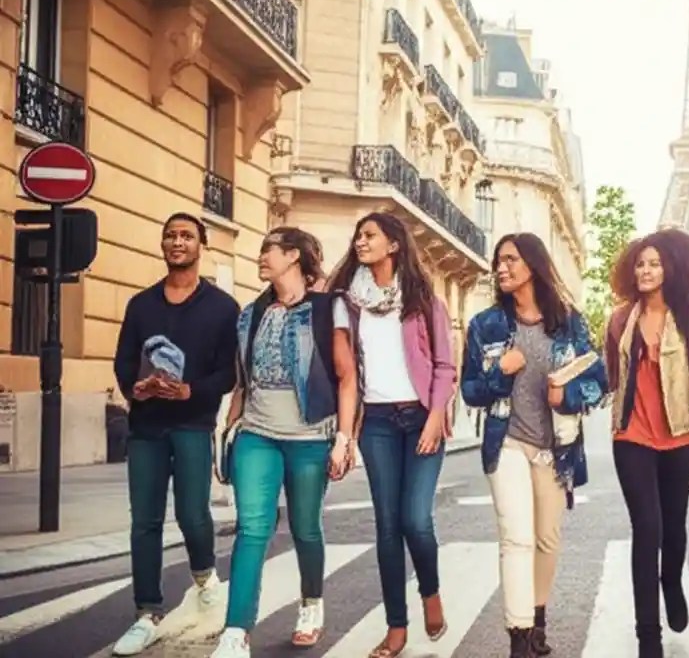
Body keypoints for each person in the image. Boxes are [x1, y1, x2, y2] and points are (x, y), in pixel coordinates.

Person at [460, 233, 609, 658]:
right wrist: (500, 374)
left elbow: (600, 385)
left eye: (511, 259)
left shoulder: (569, 323)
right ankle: (520, 637)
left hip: (555, 448)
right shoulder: (486, 325)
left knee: (547, 539)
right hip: (506, 441)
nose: (501, 267)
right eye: (499, 261)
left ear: (533, 265)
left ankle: (537, 621)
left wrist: (570, 396)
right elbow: (471, 391)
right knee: (517, 538)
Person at [211, 227, 348, 658]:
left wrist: (344, 438)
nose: (261, 257)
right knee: (253, 529)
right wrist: (228, 431)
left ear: (293, 256)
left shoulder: (328, 309)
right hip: (257, 435)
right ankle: (236, 632)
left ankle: (311, 603)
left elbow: (347, 377)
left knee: (306, 528)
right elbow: (241, 383)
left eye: (268, 250)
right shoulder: (251, 312)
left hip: (310, 438)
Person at [327, 213, 457, 658]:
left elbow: (444, 365)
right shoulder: (348, 302)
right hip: (378, 422)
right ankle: (396, 627)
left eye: (370, 235)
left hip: (421, 417)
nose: (361, 242)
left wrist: (437, 414)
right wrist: (345, 434)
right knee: (386, 527)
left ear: (394, 244)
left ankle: (431, 591)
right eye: (358, 235)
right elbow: (346, 372)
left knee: (415, 520)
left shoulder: (423, 300)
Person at [110, 213, 240, 656]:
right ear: (163, 245)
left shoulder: (223, 307)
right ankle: (146, 612)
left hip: (192, 423)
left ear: (201, 245)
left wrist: (191, 389)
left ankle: (205, 579)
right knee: (144, 521)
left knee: (192, 514)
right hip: (146, 425)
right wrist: (135, 387)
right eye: (170, 235)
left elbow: (227, 372)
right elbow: (124, 360)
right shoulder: (141, 305)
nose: (177, 241)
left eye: (186, 235)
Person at [604, 229, 689, 657]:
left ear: (669, 269)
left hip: (679, 436)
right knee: (647, 529)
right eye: (640, 263)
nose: (646, 270)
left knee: (674, 528)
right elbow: (611, 376)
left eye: (655, 264)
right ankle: (647, 635)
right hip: (631, 435)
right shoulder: (618, 319)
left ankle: (671, 581)